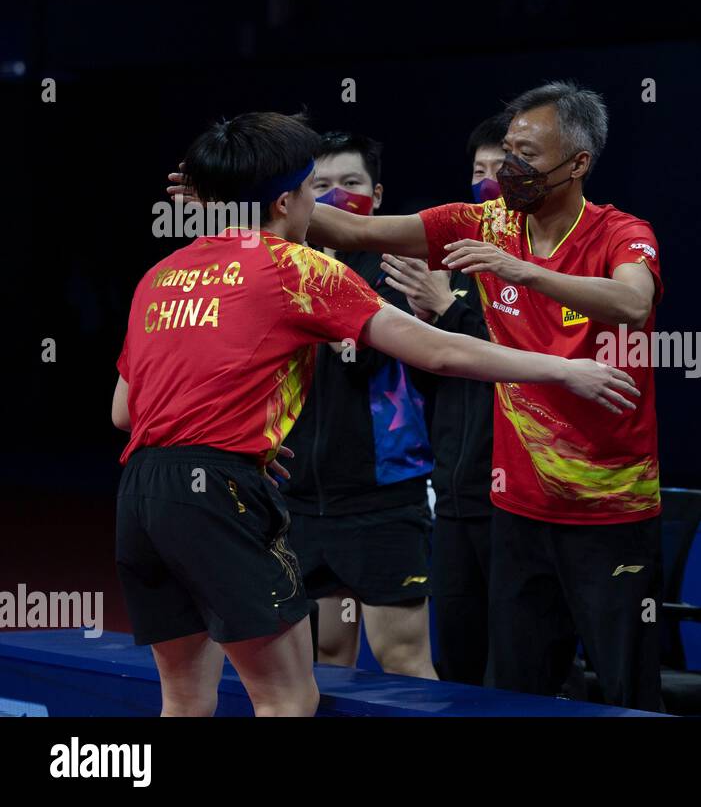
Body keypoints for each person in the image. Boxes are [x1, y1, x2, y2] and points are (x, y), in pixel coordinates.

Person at [124, 111, 640, 716]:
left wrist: (235, 427)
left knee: (183, 699)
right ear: (289, 200)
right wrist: (561, 368)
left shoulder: (161, 274)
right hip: (223, 494)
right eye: (314, 192)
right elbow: (439, 350)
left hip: (140, 497)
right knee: (287, 698)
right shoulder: (297, 268)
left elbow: (125, 409)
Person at [297, 81, 665, 710]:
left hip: (610, 511)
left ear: (577, 164)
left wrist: (523, 271)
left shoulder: (618, 233)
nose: (510, 169)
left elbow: (634, 302)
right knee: (514, 689)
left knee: (626, 692)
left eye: (526, 155)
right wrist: (239, 194)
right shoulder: (480, 222)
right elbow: (349, 228)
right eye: (507, 151)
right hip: (518, 511)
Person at [279, 131, 438, 678]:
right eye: (319, 186)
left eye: (351, 183)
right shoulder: (280, 269)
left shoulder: (395, 268)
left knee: (402, 659)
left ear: (377, 193)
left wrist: (327, 257)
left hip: (382, 498)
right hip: (298, 497)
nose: (335, 196)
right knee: (323, 658)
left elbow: (362, 355)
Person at [378, 112, 510, 685]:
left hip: (514, 500)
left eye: (500, 168)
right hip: (454, 498)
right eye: (477, 169)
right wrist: (429, 320)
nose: (486, 181)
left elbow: (522, 368)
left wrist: (450, 313)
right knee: (457, 658)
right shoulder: (454, 267)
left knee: (516, 661)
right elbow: (441, 384)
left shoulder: (541, 268)